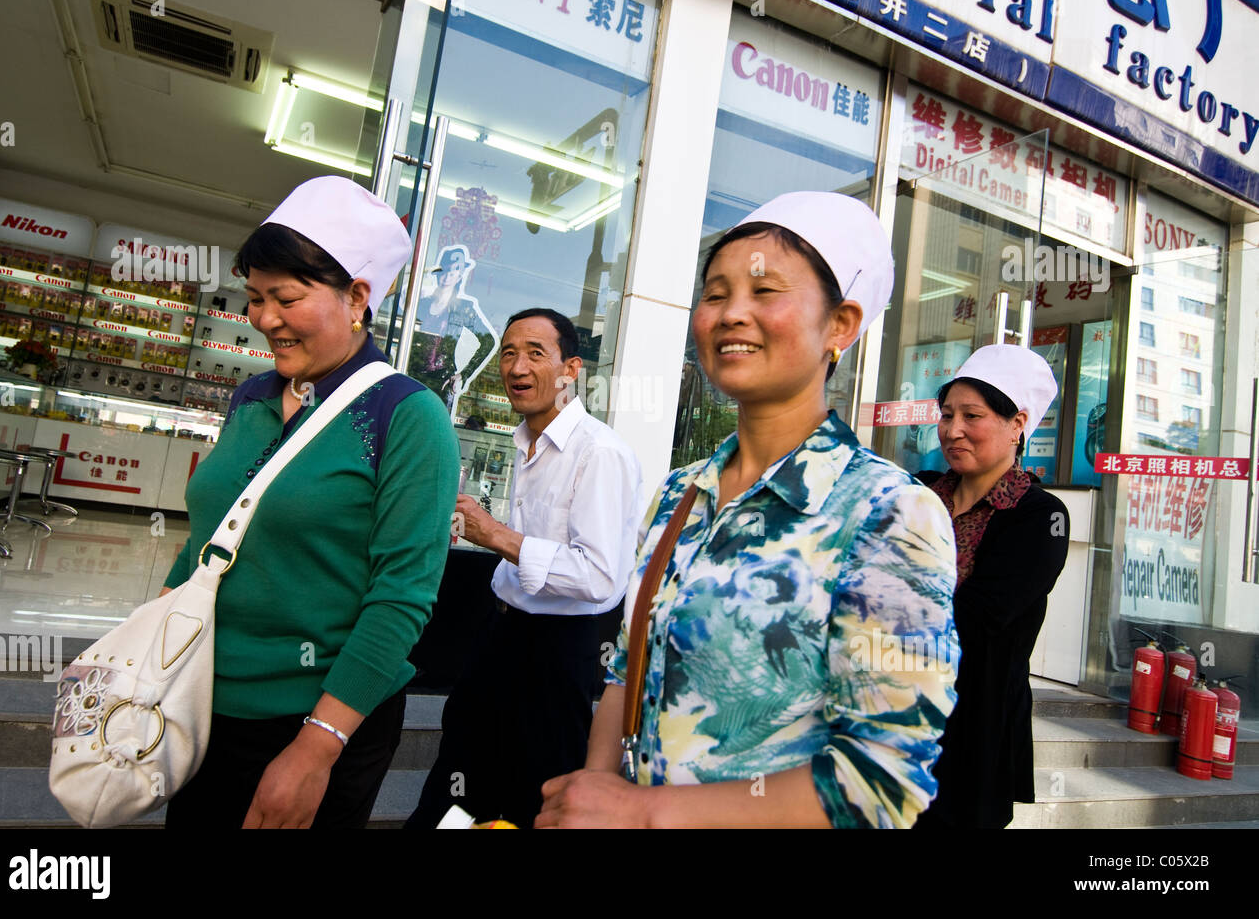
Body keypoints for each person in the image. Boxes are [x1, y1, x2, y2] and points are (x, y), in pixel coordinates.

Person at [537, 192, 959, 828]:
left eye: (765, 292)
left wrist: (643, 812)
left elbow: (879, 780)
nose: (731, 313)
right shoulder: (681, 494)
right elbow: (628, 668)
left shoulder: (888, 513)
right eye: (715, 294)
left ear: (840, 325)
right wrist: (596, 793)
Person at [160, 176, 459, 829]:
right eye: (255, 298)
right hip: (201, 701)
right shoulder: (251, 398)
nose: (265, 319)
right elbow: (209, 540)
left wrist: (316, 747)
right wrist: (147, 640)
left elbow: (401, 598)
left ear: (357, 298)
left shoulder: (407, 416)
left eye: (287, 298)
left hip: (318, 721)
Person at [405, 307, 646, 829]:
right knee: (457, 780)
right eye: (509, 353)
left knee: (537, 798)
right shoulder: (524, 441)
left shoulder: (600, 453)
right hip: (500, 634)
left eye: (536, 353)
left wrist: (496, 535)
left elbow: (600, 576)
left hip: (559, 651)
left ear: (571, 369)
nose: (517, 367)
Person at [914, 344, 1070, 829]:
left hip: (971, 725)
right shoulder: (917, 492)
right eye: (946, 414)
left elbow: (978, 618)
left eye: (972, 416)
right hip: (882, 711)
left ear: (1017, 423)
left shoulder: (1039, 517)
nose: (952, 429)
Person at [408, 244, 497, 417]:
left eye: (454, 270)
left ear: (460, 276)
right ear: (438, 272)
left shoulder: (464, 308)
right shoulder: (422, 304)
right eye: (446, 269)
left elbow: (488, 341)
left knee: (433, 425)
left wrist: (464, 373)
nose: (448, 275)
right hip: (412, 375)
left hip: (442, 381)